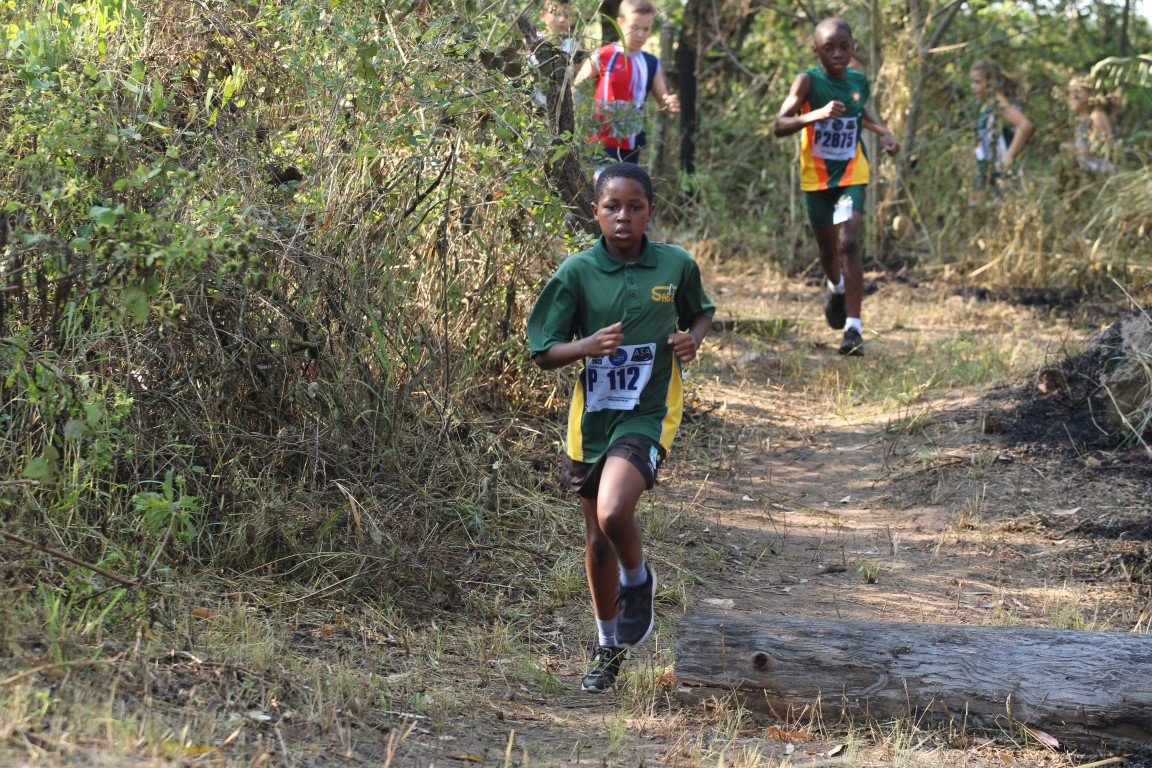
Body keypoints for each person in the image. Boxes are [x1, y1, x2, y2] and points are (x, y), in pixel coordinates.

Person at [526, 163, 714, 692]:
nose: (624, 217)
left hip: (648, 412)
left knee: (614, 510)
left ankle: (639, 579)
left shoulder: (675, 265)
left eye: (635, 207)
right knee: (597, 539)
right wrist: (587, 346)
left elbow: (699, 313)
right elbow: (544, 350)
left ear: (651, 211)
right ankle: (608, 646)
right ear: (595, 214)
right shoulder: (577, 272)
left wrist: (691, 339)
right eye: (612, 207)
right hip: (592, 421)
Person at [773, 17, 899, 356]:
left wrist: (885, 132)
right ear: (817, 51)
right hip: (816, 179)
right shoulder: (807, 82)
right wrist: (815, 115)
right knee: (828, 252)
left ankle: (853, 330)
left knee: (849, 242)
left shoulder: (858, 80)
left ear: (853, 48)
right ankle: (836, 287)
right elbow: (780, 124)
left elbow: (861, 112)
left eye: (844, 47)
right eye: (829, 48)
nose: (838, 54)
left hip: (850, 175)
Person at [574, 0, 680, 169]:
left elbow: (663, 100)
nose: (640, 35)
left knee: (626, 191)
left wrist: (670, 103)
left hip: (633, 143)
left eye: (646, 29)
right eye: (635, 27)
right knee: (603, 189)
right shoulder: (602, 55)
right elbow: (576, 90)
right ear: (620, 23)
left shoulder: (651, 62)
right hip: (600, 141)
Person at [968, 59, 1033, 209]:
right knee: (976, 207)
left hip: (1000, 169)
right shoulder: (986, 103)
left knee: (1002, 207)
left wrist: (1010, 155)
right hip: (987, 166)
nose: (973, 87)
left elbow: (1025, 125)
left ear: (990, 82)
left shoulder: (999, 102)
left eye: (978, 82)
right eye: (972, 82)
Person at [1059, 74, 1114, 176]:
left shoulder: (1096, 116)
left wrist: (1074, 150)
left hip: (1100, 174)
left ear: (1091, 93)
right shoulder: (1079, 120)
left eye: (1077, 91)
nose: (1072, 96)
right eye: (1070, 92)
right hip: (1085, 173)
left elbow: (1105, 150)